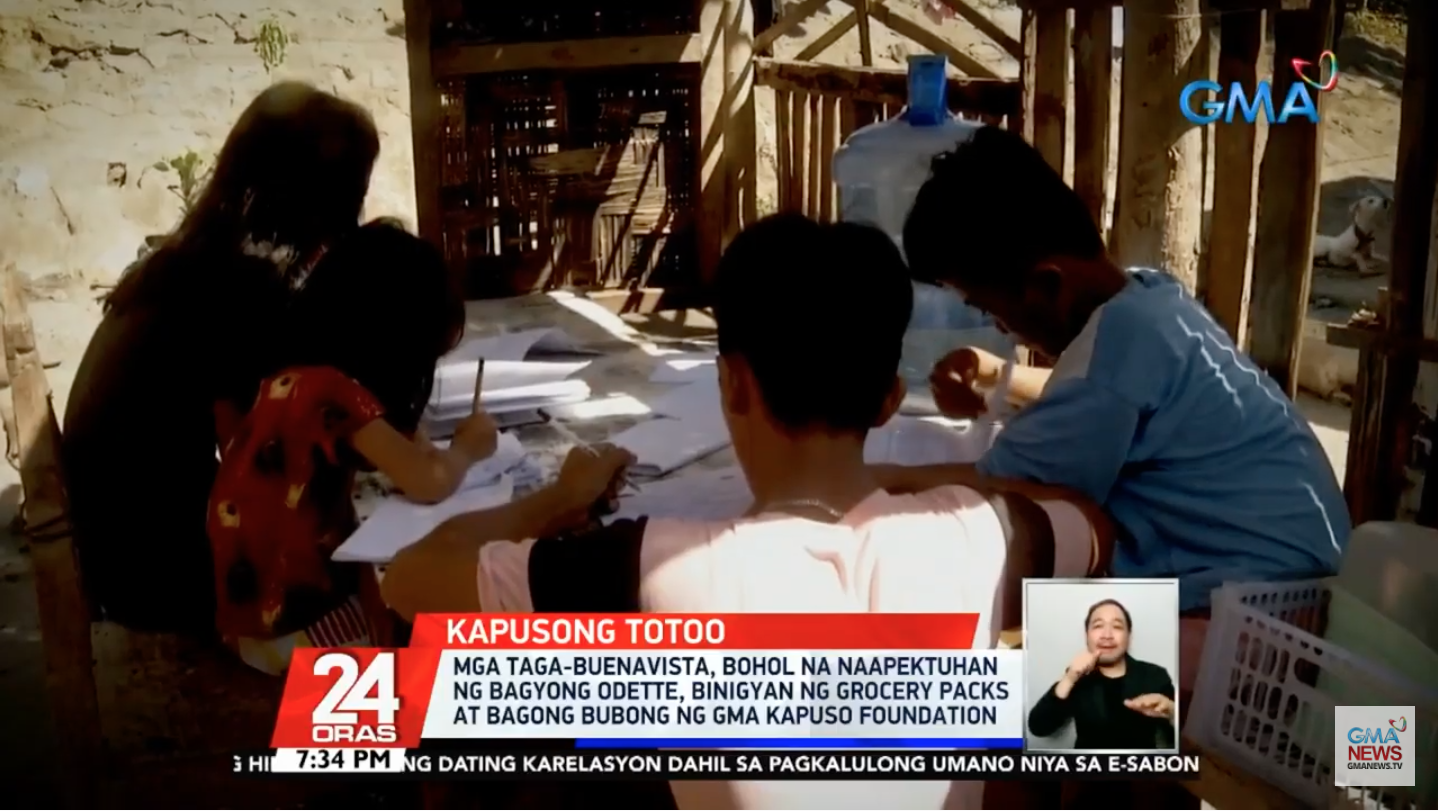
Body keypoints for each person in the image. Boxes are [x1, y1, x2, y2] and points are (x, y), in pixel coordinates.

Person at [380, 213, 1081, 810]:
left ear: (733, 384)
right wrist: (910, 485)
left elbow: (407, 581)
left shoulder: (644, 571)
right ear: (889, 399)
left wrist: (560, 497)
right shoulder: (986, 534)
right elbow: (1091, 519)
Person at [892, 124, 1350, 699]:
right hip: (1292, 600)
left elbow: (989, 488)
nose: (1000, 328)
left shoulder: (1107, 369)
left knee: (1024, 690)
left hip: (1251, 633)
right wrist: (998, 376)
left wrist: (853, 478)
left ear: (1047, 284)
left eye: (989, 308)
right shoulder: (1150, 301)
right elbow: (1104, 395)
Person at [63, 83, 380, 633]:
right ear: (326, 200)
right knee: (391, 587)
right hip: (161, 580)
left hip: (121, 558)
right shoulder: (237, 286)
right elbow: (290, 437)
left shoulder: (192, 259)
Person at [207, 220, 498, 675]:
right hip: (287, 633)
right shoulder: (333, 395)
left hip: (244, 618)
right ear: (395, 345)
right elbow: (429, 482)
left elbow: (396, 445)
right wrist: (467, 448)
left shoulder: (293, 376)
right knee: (425, 627)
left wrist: (417, 443)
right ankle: (387, 733)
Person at [1027, 599, 1176, 750]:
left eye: (1117, 626)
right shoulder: (1077, 677)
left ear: (1129, 636)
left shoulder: (1155, 675)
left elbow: (1175, 740)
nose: (1107, 635)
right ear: (1087, 636)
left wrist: (1172, 713)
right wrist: (1069, 678)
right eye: (1098, 626)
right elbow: (1039, 728)